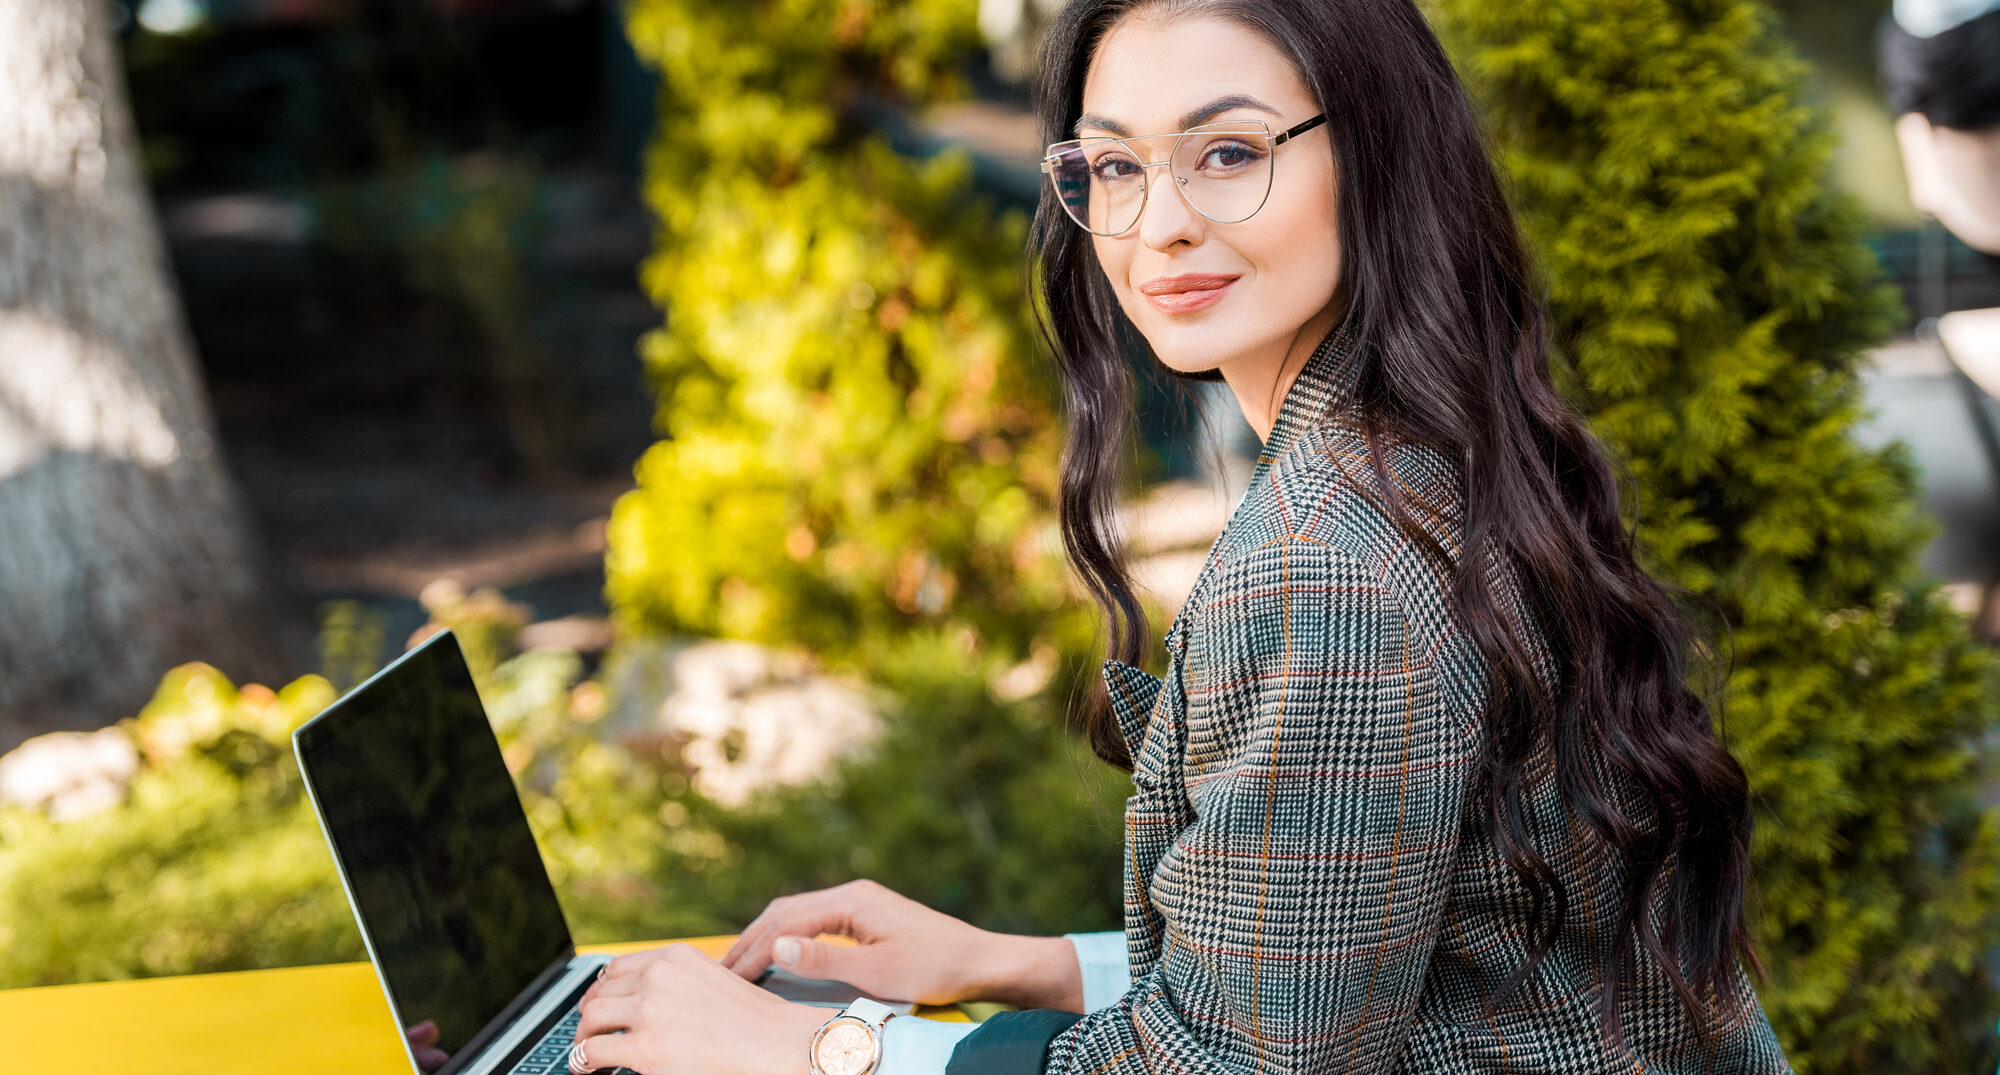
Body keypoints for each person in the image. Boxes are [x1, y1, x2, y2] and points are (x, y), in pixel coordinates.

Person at [561, 1, 1793, 1072]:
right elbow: (1388, 966)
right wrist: (1021, 964)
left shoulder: (1330, 559)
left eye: (1226, 152)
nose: (1156, 226)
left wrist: (812, 1049)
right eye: (1111, 167)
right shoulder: (1423, 452)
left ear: (1372, 150)